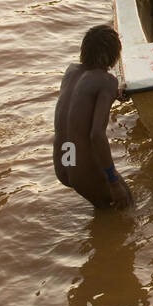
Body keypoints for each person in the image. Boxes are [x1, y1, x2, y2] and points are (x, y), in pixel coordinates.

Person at [54, 25, 132, 210]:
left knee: (106, 213)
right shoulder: (107, 81)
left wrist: (112, 94)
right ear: (113, 54)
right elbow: (96, 134)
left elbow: (78, 106)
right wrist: (113, 182)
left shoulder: (71, 71)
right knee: (127, 208)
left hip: (64, 162)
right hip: (82, 169)